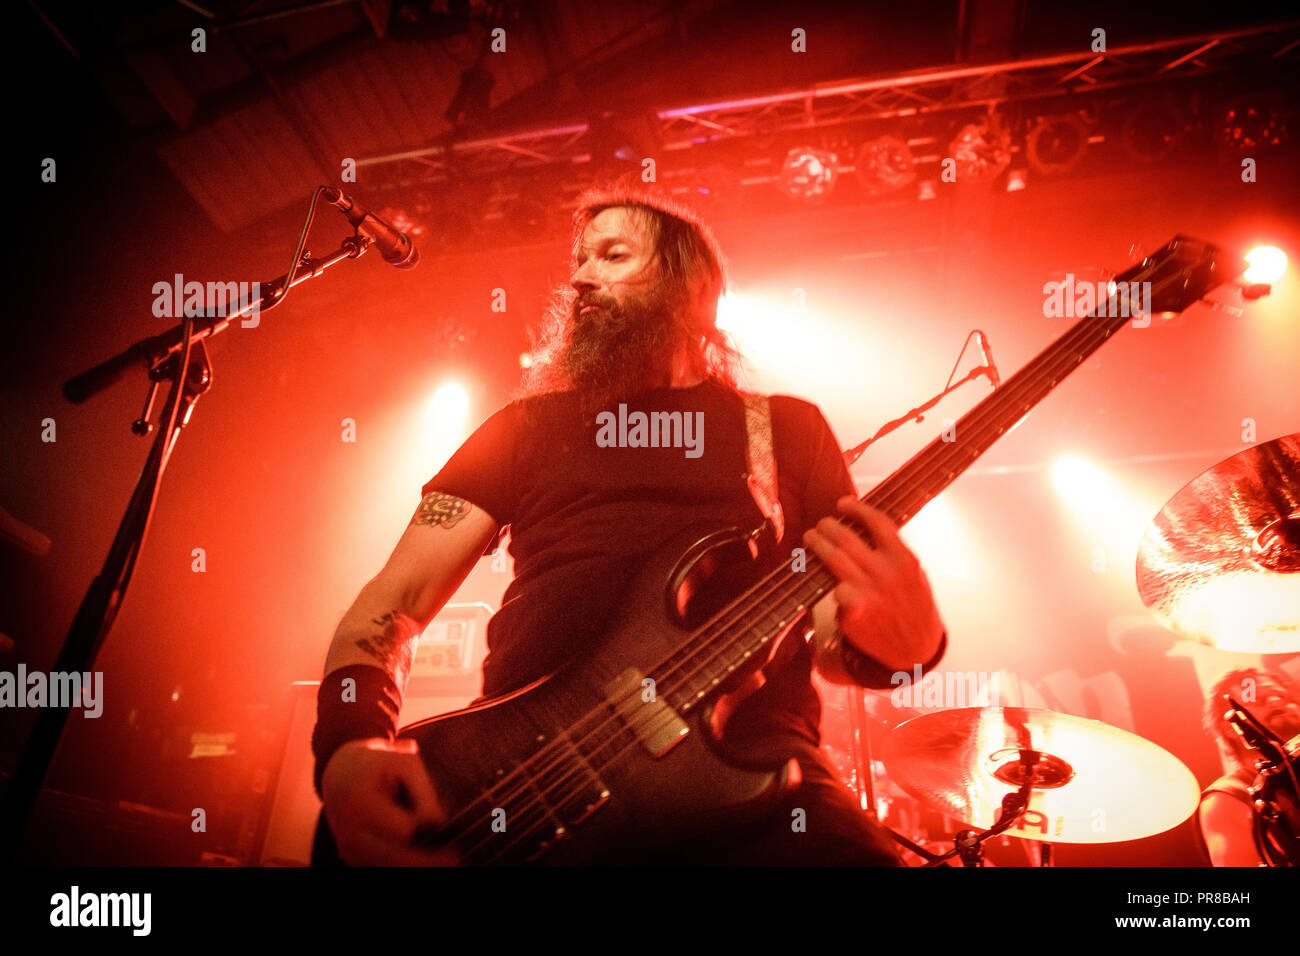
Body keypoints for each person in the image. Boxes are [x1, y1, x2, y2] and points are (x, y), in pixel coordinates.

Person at [310, 184, 948, 865]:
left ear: (696, 288)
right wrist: (348, 745)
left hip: (753, 781)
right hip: (521, 780)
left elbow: (828, 639)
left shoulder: (785, 431)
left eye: (612, 255)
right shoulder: (522, 429)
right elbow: (392, 604)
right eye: (580, 260)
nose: (582, 277)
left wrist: (906, 653)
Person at [1197, 666, 1300, 866]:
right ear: (1230, 726)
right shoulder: (1227, 797)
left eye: (1284, 697)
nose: (1275, 701)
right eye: (1258, 700)